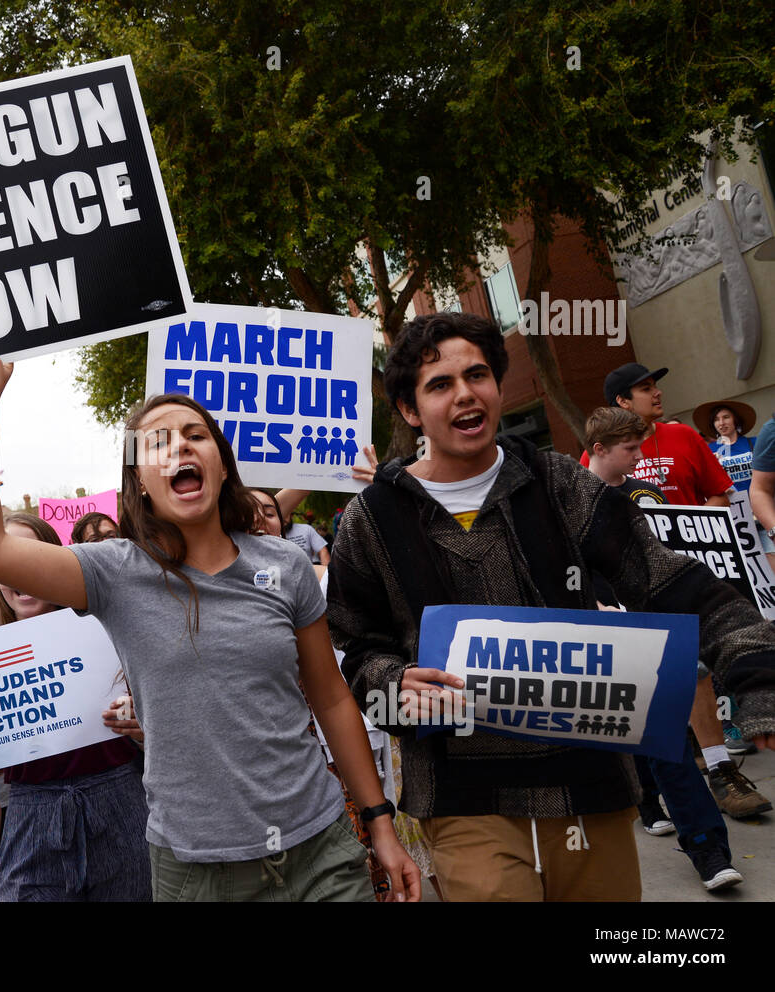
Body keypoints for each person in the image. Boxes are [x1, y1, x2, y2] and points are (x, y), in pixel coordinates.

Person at [330, 311, 775, 902]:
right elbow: (359, 653)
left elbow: (673, 584)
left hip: (587, 788)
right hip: (464, 798)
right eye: (440, 385)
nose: (465, 394)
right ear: (411, 411)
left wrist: (757, 676)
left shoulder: (559, 483)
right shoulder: (372, 519)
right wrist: (396, 684)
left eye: (478, 375)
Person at [0, 339, 418, 902]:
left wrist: (379, 823)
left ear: (222, 464)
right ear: (141, 483)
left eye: (196, 435)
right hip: (196, 874)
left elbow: (331, 699)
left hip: (319, 852)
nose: (180, 446)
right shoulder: (111, 572)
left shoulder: (286, 565)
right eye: (158, 442)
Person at [584, 407, 743, 891]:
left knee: (661, 732)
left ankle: (708, 848)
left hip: (656, 625)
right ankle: (649, 802)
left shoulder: (640, 496)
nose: (639, 457)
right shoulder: (570, 498)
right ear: (600, 450)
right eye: (630, 449)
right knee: (642, 732)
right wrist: (594, 602)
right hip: (603, 632)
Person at [0, 512, 150, 902]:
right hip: (31, 815)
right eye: (5, 561)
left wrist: (145, 726)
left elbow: (173, 727)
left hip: (121, 803)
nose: (19, 573)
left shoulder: (114, 630)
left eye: (28, 555)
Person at [580, 363, 733, 507]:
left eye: (655, 387)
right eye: (646, 389)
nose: (658, 393)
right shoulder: (598, 453)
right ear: (623, 401)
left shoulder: (684, 435)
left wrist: (689, 528)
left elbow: (720, 497)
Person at [694, 399, 758, 494]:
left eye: (726, 417)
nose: (721, 423)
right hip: (729, 505)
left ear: (735, 420)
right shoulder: (708, 451)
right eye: (716, 420)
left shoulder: (755, 443)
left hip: (759, 503)